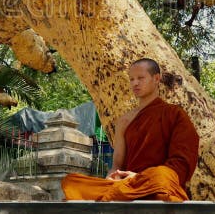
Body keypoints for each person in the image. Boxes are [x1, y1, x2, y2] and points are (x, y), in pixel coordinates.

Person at [60, 57, 200, 201]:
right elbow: (117, 165)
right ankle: (119, 191)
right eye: (132, 79)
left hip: (156, 182)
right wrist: (112, 177)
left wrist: (141, 178)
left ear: (156, 78)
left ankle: (120, 193)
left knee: (162, 176)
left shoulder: (174, 114)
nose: (135, 83)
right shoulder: (125, 120)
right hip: (129, 184)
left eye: (141, 78)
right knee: (71, 182)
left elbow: (181, 162)